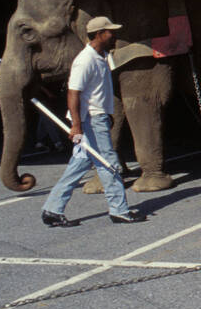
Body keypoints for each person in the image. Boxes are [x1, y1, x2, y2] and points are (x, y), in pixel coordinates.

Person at [41, 17, 145, 227]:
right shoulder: (85, 60)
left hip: (97, 118)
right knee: (109, 164)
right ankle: (120, 211)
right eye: (110, 32)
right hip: (90, 121)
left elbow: (97, 92)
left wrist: (107, 113)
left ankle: (52, 209)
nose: (114, 35)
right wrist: (77, 125)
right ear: (98, 34)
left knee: (79, 164)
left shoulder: (102, 56)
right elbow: (73, 93)